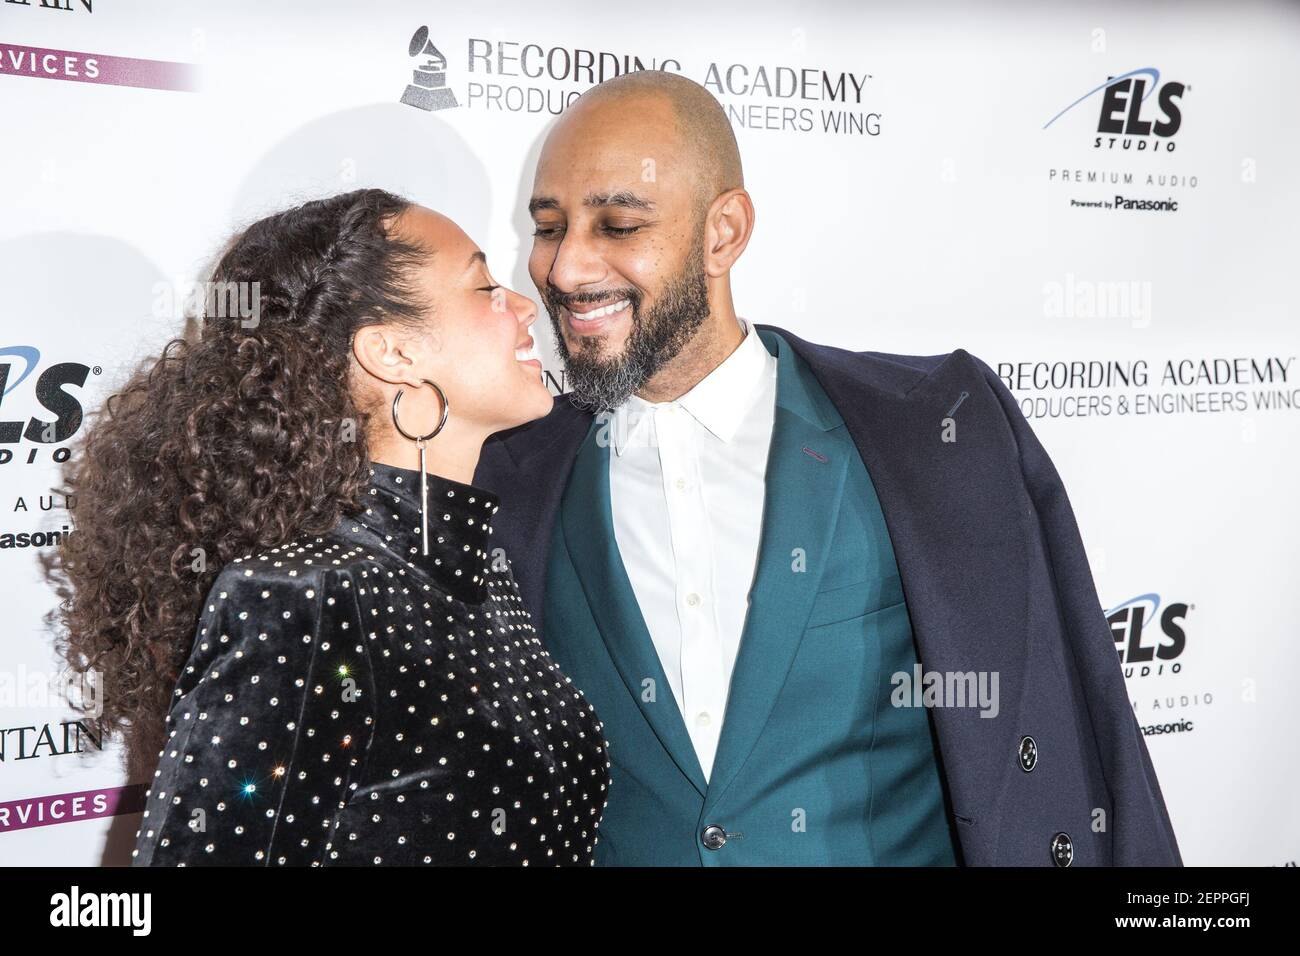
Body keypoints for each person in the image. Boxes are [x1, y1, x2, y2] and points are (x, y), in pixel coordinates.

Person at [473, 71, 1182, 866]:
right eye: (548, 227)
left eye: (616, 224)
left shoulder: (937, 426)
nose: (565, 269)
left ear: (724, 233)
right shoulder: (505, 476)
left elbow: (1080, 722)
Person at [55, 188, 610, 866]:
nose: (524, 304)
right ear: (391, 353)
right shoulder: (304, 598)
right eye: (483, 286)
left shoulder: (482, 568)